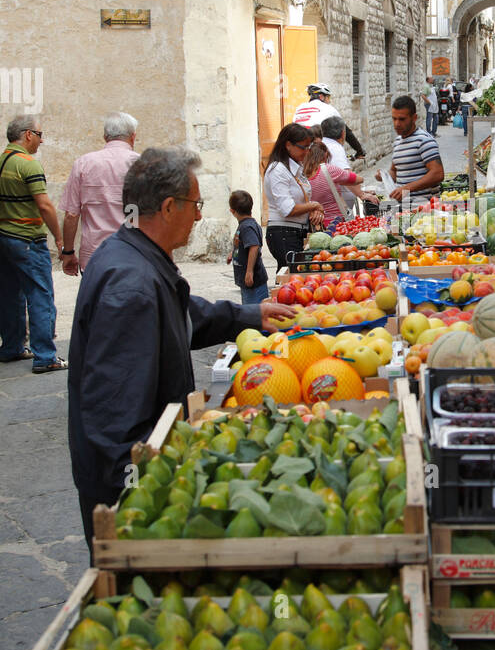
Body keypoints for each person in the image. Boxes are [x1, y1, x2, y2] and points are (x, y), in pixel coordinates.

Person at [68, 148, 295, 549]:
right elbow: (115, 416)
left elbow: (182, 314)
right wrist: (141, 493)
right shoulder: (130, 284)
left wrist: (248, 315)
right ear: (170, 206)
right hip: (133, 495)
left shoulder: (135, 255)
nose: (200, 216)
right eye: (196, 205)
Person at [0, 114, 66, 373]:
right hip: (27, 238)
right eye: (40, 135)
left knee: (9, 296)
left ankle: (12, 347)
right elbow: (44, 205)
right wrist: (59, 238)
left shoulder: (2, 161)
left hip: (3, 238)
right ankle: (46, 356)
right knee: (40, 295)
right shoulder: (28, 165)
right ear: (28, 135)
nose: (41, 140)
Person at [58, 111, 139, 276]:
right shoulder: (142, 164)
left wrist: (68, 253)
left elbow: (71, 215)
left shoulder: (83, 164)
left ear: (105, 137)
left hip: (94, 256)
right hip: (133, 253)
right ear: (133, 137)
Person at [262, 123, 325, 266]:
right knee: (290, 274)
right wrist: (313, 205)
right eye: (303, 147)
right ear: (288, 145)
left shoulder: (296, 168)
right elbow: (287, 209)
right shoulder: (278, 170)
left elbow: (303, 199)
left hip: (296, 231)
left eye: (309, 147)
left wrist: (312, 209)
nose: (307, 152)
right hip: (284, 233)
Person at [378, 95, 444, 208]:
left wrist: (407, 188)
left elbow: (437, 174)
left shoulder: (424, 140)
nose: (397, 124)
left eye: (402, 119)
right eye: (394, 119)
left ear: (414, 118)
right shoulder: (398, 141)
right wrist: (385, 176)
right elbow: (395, 171)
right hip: (405, 210)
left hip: (425, 209)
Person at [303, 141, 376, 228]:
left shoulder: (302, 174)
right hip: (336, 223)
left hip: (316, 225)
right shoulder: (329, 169)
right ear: (325, 154)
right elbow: (356, 179)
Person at [293, 84, 365, 159]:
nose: (329, 101)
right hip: (317, 149)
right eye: (328, 97)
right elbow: (346, 132)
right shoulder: (329, 108)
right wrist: (359, 151)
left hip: (298, 147)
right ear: (321, 97)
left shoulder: (299, 108)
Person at [227, 189, 268, 304]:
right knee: (249, 309)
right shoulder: (246, 225)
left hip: (253, 281)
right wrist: (233, 253)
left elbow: (254, 246)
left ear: (232, 211)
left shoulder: (247, 227)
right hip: (247, 282)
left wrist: (249, 272)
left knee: (255, 312)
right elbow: (243, 245)